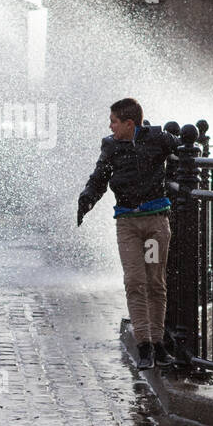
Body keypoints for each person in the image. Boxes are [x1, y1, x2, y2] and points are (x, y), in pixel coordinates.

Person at [77, 98, 180, 370]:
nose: (110, 127)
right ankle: (144, 346)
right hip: (128, 226)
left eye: (114, 122)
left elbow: (181, 149)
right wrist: (86, 200)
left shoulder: (158, 138)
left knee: (154, 281)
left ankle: (158, 344)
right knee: (135, 281)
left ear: (129, 123)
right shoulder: (111, 147)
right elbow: (99, 178)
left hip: (155, 224)